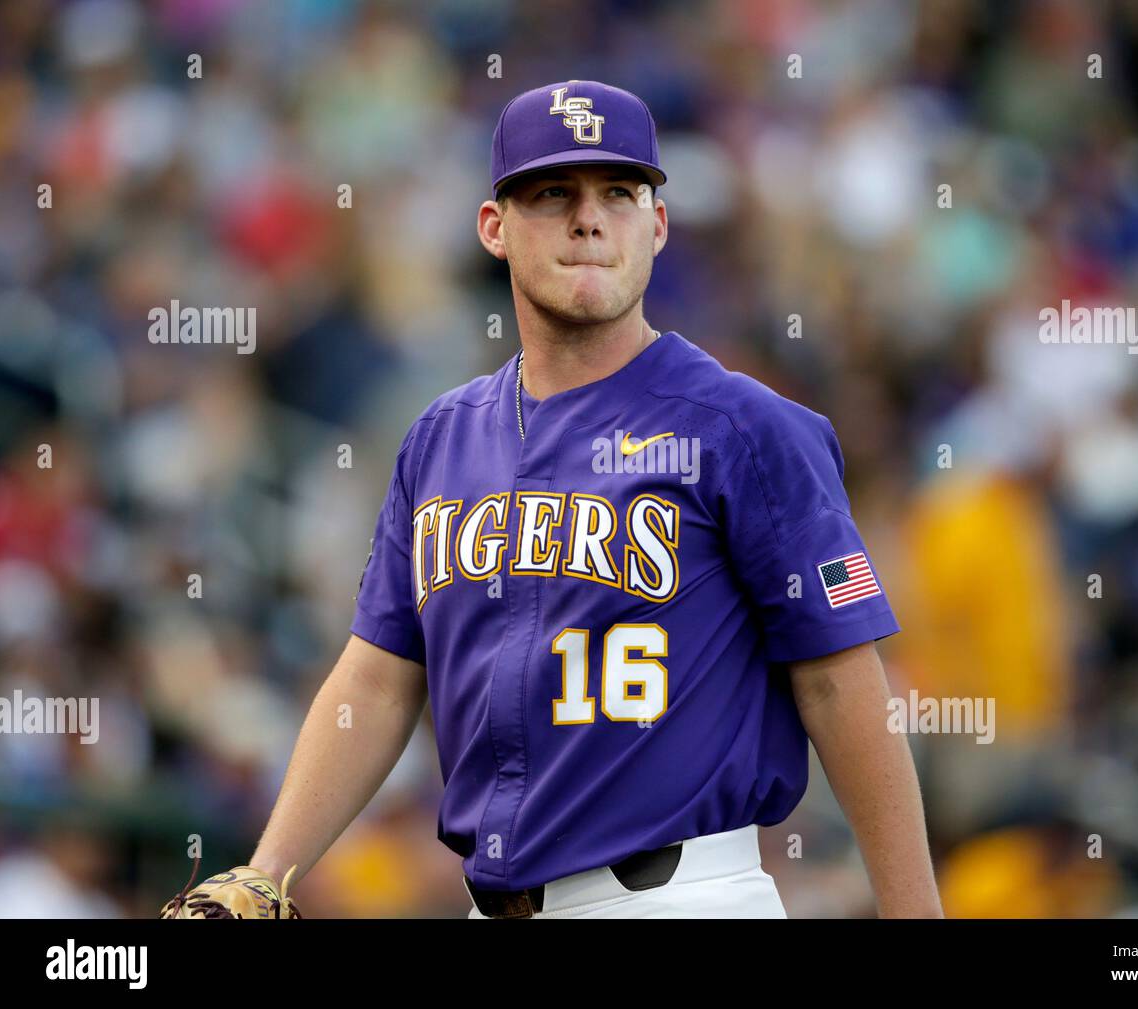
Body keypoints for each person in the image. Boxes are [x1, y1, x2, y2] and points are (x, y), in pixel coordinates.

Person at [248, 80, 943, 918]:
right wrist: (266, 870)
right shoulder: (439, 438)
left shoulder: (746, 427)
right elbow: (376, 681)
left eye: (618, 192)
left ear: (656, 224)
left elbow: (841, 684)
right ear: (494, 228)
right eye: (553, 194)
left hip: (678, 894)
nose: (590, 218)